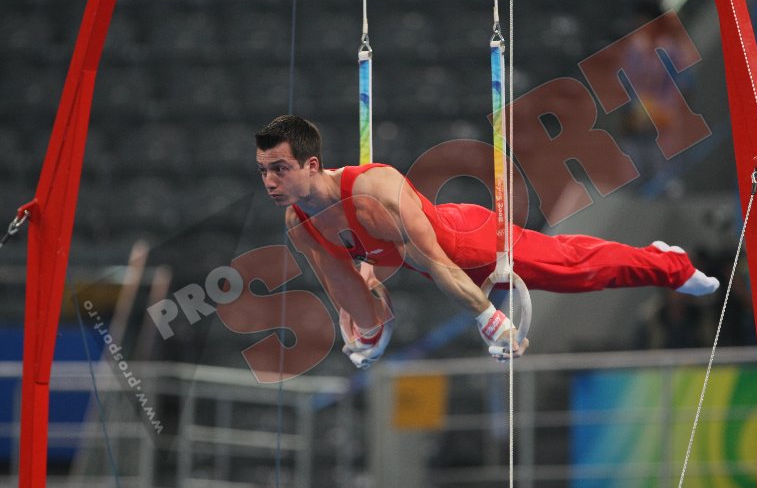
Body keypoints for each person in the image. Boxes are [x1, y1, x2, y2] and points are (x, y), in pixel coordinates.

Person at [255, 115, 720, 368]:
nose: (270, 182)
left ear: (312, 165)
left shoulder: (376, 191)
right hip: (437, 257)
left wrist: (490, 319)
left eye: (280, 169)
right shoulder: (301, 224)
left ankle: (670, 264)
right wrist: (370, 332)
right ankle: (664, 262)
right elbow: (347, 287)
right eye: (264, 171)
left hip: (470, 243)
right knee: (574, 266)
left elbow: (434, 262)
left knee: (577, 269)